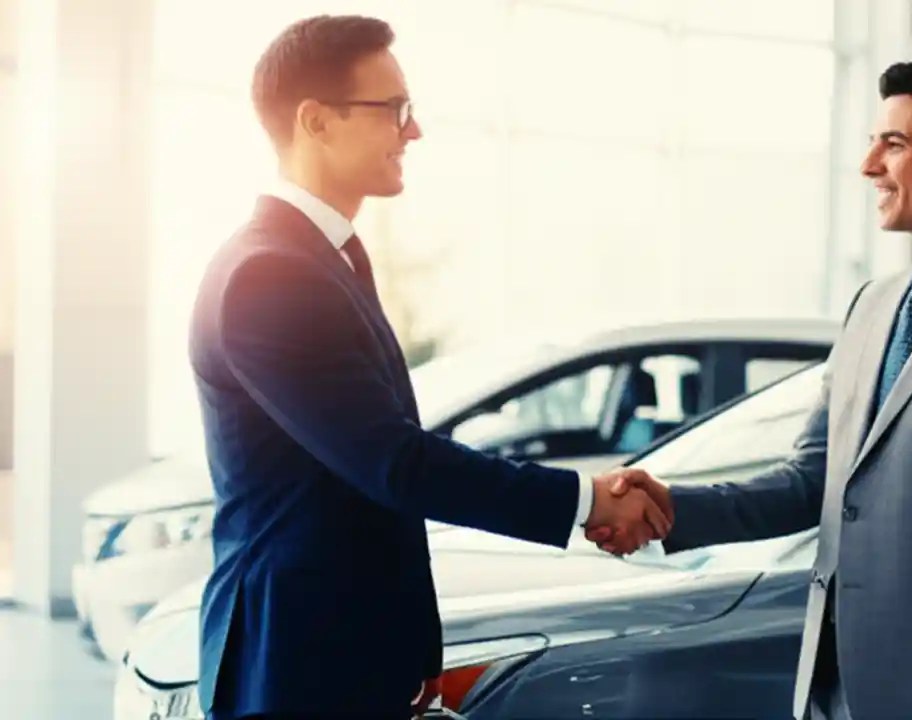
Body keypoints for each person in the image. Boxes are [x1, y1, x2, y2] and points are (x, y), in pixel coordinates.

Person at [592, 55, 912, 719]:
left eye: (893, 143)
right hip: (836, 691)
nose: (868, 166)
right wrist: (673, 506)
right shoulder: (874, 305)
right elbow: (814, 481)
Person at [189, 15, 671, 720]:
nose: (412, 132)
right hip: (297, 666)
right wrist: (588, 500)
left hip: (337, 655)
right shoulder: (269, 273)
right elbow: (393, 462)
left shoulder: (324, 257)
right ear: (316, 121)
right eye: (394, 110)